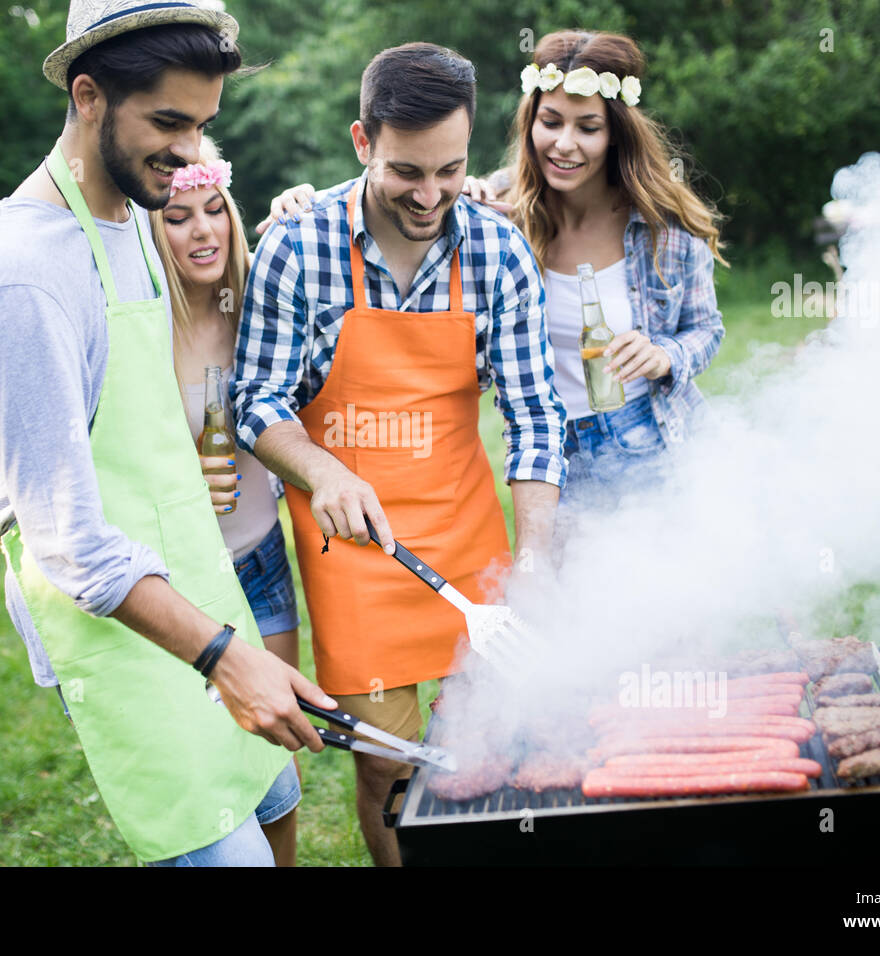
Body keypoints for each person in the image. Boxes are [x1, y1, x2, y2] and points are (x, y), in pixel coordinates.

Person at [0, 0, 334, 868]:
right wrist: (224, 659)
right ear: (88, 96)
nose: (189, 152)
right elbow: (64, 543)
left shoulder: (134, 217)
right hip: (131, 644)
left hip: (208, 593)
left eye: (202, 125)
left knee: (278, 810)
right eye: (168, 122)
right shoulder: (22, 273)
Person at [234, 42, 568, 866]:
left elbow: (534, 414)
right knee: (391, 765)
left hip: (466, 542)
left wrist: (533, 560)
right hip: (351, 553)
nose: (430, 196)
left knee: (492, 751)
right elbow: (257, 401)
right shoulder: (298, 248)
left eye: (449, 171)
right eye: (406, 173)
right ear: (361, 143)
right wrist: (322, 469)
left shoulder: (498, 253)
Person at [462, 30, 726, 511]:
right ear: (530, 122)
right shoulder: (498, 211)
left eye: (588, 127)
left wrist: (664, 354)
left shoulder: (661, 223)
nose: (564, 144)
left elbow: (706, 327)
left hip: (649, 439)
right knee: (564, 587)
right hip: (548, 455)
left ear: (616, 133)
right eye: (551, 121)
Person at [150, 137, 304, 865]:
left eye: (215, 210)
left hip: (261, 559)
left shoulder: (260, 298)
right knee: (212, 756)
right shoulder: (143, 326)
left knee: (279, 760)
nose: (203, 230)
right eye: (178, 217)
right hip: (187, 578)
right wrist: (185, 477)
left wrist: (296, 210)